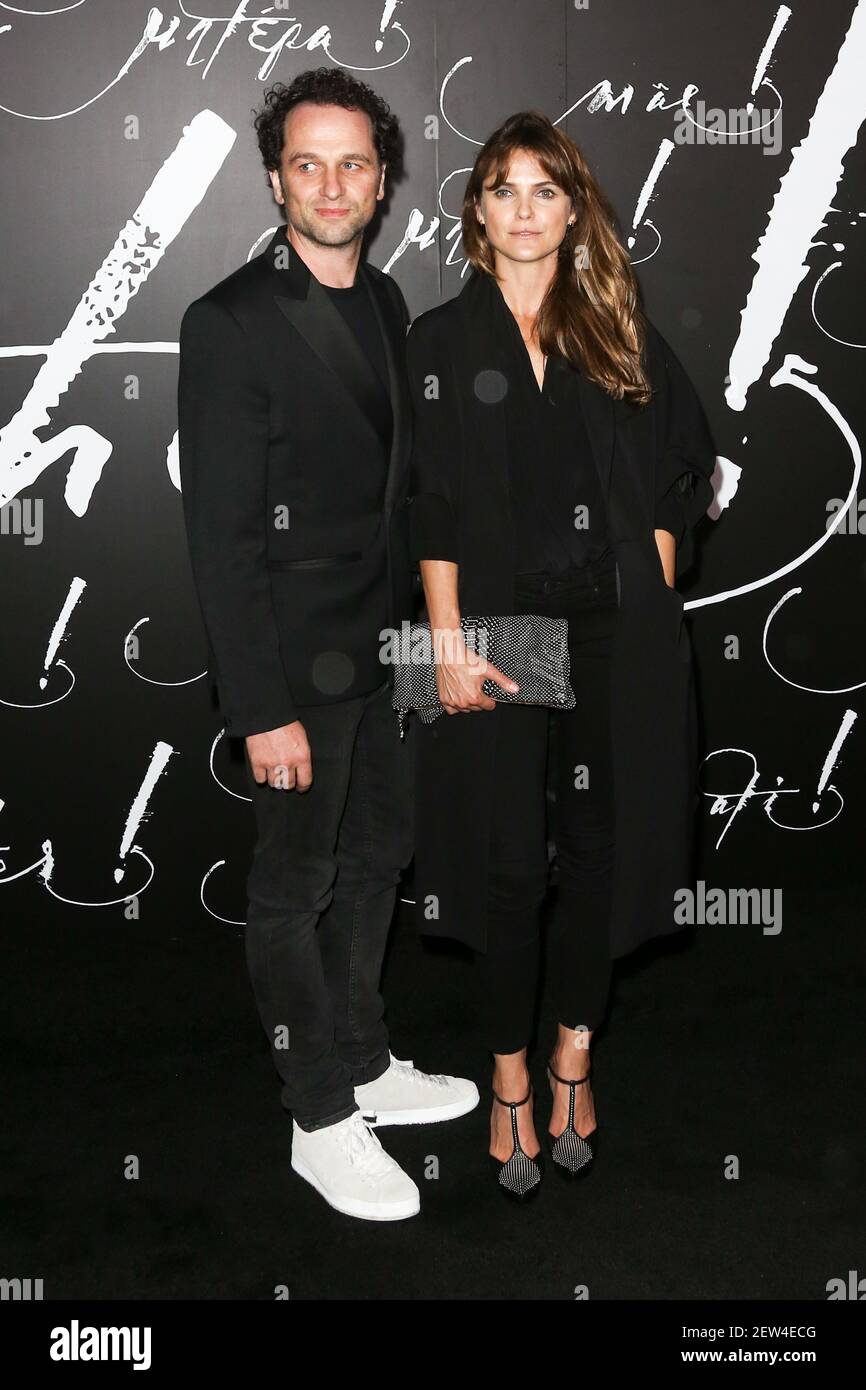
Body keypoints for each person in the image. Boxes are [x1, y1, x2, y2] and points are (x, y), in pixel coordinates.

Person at [177, 67, 477, 1224]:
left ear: (384, 178)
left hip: (390, 651)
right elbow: (220, 537)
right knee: (293, 890)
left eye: (353, 161)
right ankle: (316, 1114)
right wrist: (259, 707)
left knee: (376, 864)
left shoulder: (391, 301)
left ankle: (362, 1062)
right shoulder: (231, 321)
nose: (332, 183)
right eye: (308, 162)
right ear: (273, 180)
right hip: (297, 670)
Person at [406, 111, 717, 1201]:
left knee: (604, 850)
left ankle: (572, 1051)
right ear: (476, 212)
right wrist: (441, 643)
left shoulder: (617, 331)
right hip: (498, 635)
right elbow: (427, 502)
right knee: (501, 865)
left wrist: (658, 569)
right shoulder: (439, 343)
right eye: (503, 188)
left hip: (611, 633)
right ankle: (504, 1076)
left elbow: (687, 458)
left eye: (547, 189)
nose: (525, 208)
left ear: (574, 210)